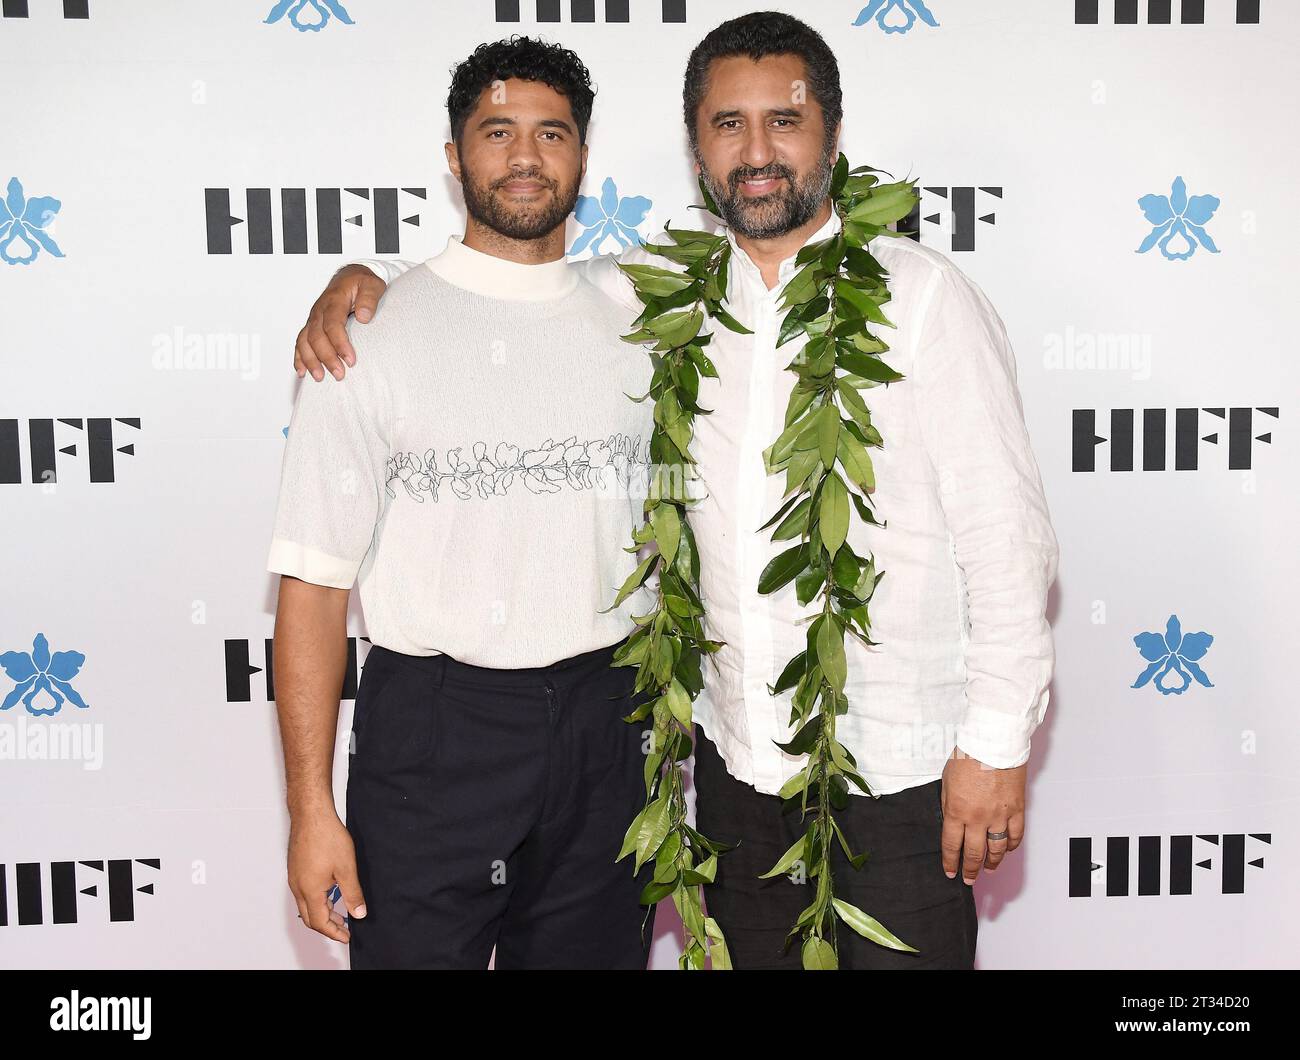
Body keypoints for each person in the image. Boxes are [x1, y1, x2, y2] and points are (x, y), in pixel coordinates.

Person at [293, 12, 1060, 970]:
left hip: (896, 771)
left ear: (830, 131)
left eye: (784, 121)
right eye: (726, 125)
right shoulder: (671, 298)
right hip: (735, 775)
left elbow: (1006, 540)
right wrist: (361, 285)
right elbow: (495, 282)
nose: (757, 151)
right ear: (697, 147)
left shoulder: (924, 300)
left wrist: (993, 745)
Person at [268, 36, 659, 970]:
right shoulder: (368, 335)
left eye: (551, 134)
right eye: (497, 133)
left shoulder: (646, 308)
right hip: (435, 732)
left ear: (583, 155)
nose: (525, 158)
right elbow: (313, 592)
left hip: (613, 720)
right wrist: (311, 813)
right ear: (454, 158)